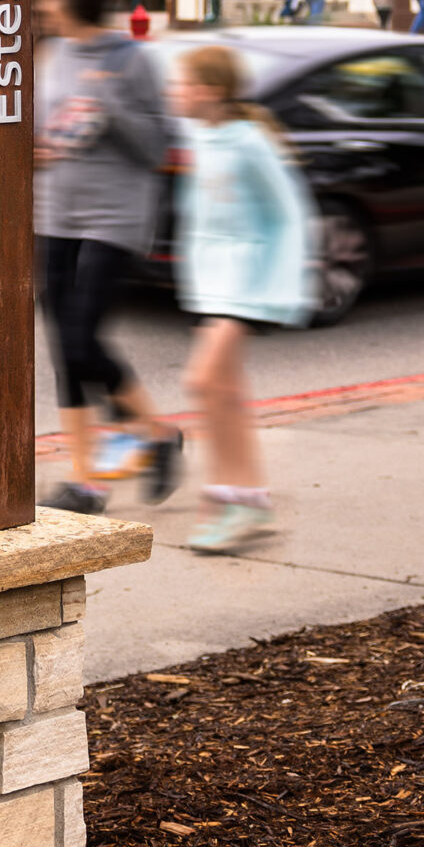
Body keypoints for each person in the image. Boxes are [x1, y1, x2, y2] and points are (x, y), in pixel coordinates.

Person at [34, 0, 181, 514]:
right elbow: (45, 127)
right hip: (55, 215)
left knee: (81, 338)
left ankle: (155, 432)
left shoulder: (132, 60)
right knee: (63, 350)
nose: (44, 6)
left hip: (114, 218)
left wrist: (111, 105)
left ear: (76, 1)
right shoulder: (54, 54)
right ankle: (86, 481)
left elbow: (156, 146)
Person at [169, 43, 317, 554]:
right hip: (212, 284)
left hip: (249, 282)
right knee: (225, 394)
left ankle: (225, 498)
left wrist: (281, 286)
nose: (175, 92)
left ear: (210, 90)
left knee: (201, 381)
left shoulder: (251, 142)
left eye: (183, 84)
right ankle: (250, 502)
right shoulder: (201, 135)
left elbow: (289, 214)